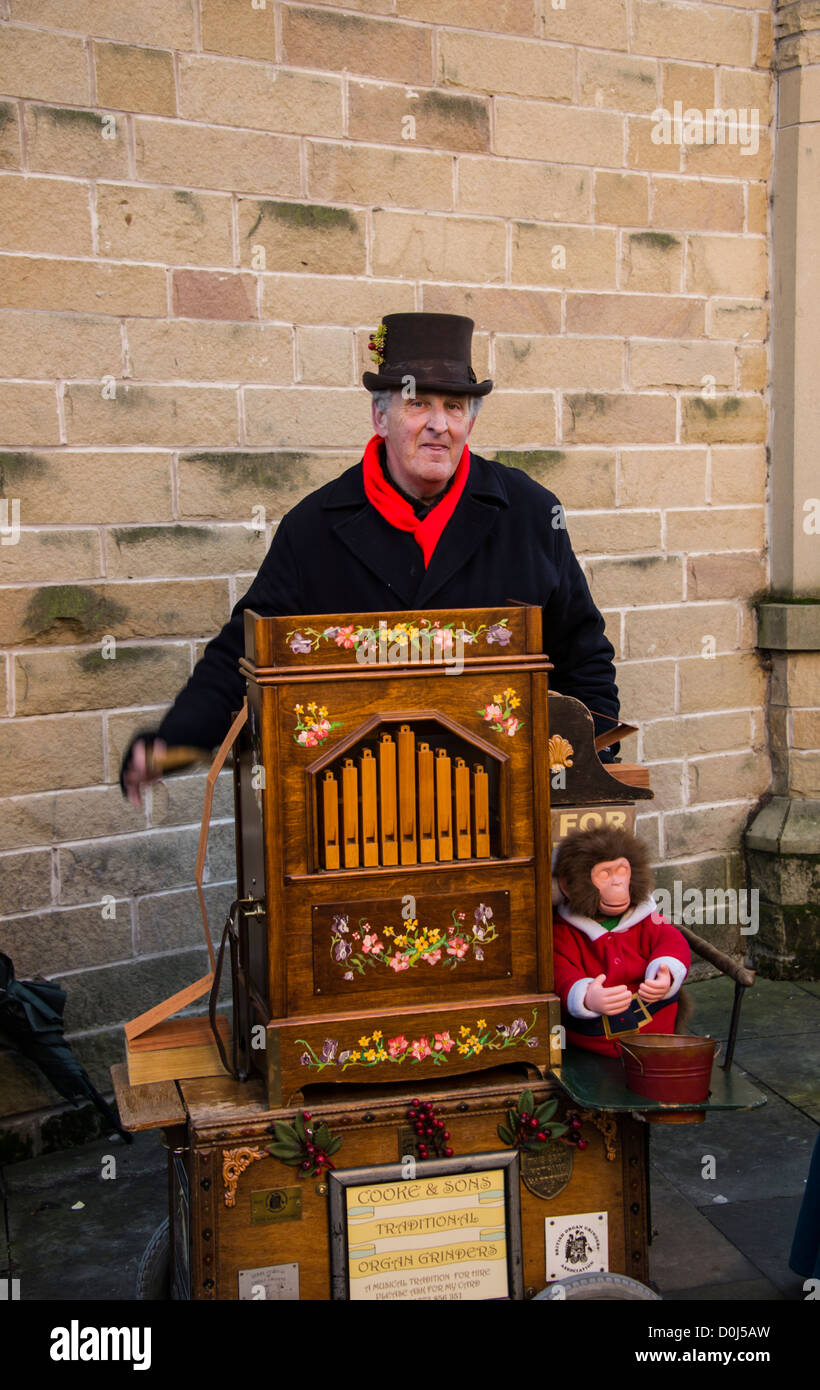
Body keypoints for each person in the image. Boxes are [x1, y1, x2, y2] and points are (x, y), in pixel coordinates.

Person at [121, 312, 619, 805]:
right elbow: (247, 651)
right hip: (360, 809)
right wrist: (175, 740)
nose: (438, 425)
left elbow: (583, 655)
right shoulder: (314, 528)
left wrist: (592, 778)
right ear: (381, 417)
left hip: (497, 800)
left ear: (470, 419)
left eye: (454, 405)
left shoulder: (531, 514)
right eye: (417, 403)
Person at [552, 826, 691, 1056]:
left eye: (621, 871)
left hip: (657, 1035)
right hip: (598, 1045)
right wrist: (585, 997)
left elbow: (672, 941)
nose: (617, 883)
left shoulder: (647, 918)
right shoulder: (565, 933)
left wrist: (665, 971)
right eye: (605, 874)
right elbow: (561, 972)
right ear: (567, 886)